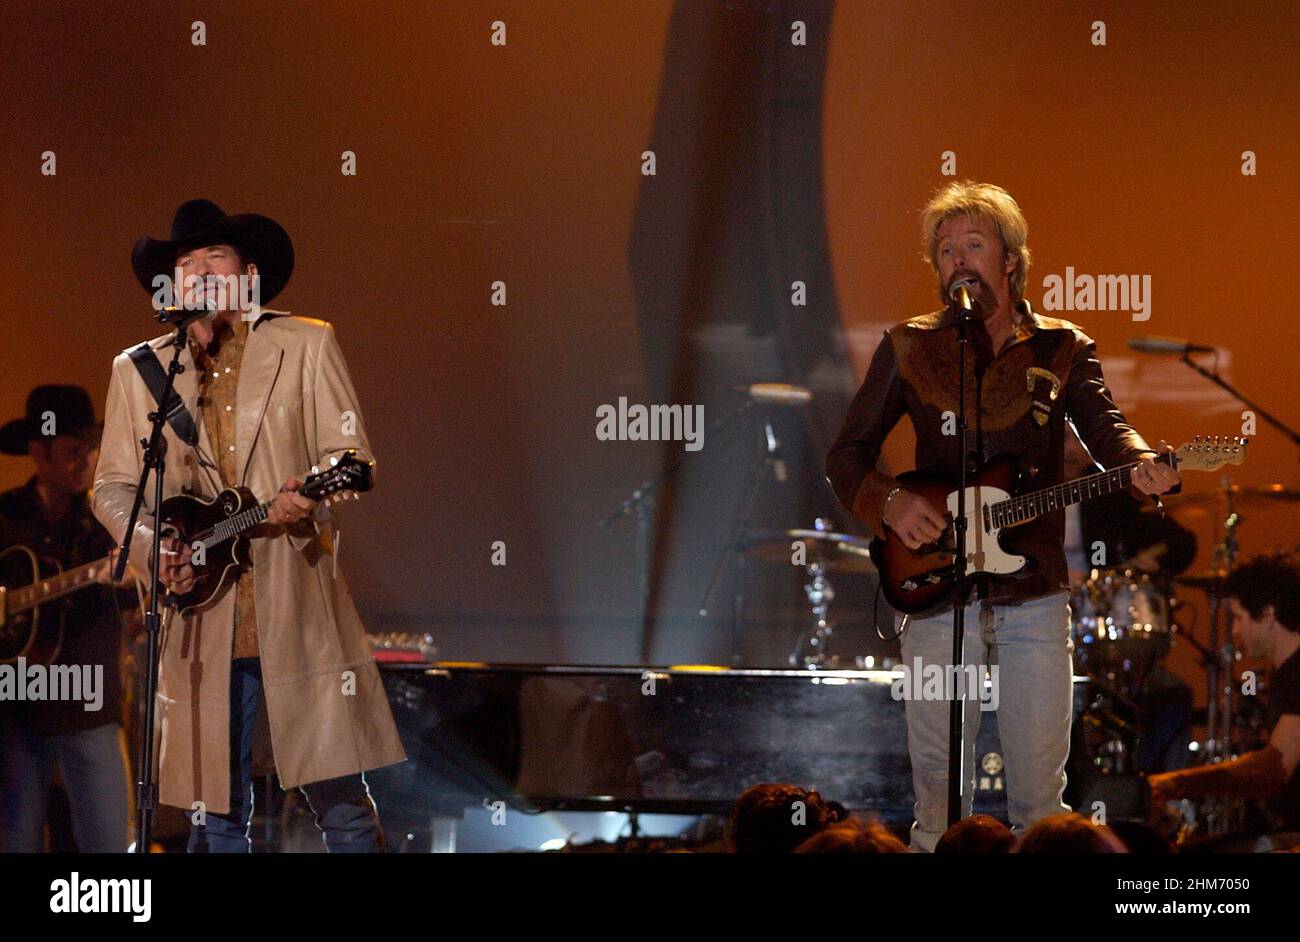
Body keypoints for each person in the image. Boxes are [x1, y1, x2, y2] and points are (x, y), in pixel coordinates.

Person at [826, 180, 1180, 851]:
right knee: (937, 793)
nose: (957, 260)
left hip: (1034, 589)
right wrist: (892, 502)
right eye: (945, 249)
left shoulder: (1061, 345)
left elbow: (1108, 429)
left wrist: (1141, 464)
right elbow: (847, 455)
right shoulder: (909, 345)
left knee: (1041, 800)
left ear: (1010, 260)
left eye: (973, 246)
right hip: (934, 593)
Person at [92, 199, 406, 852]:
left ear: (249, 272)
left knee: (339, 800)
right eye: (185, 261)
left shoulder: (306, 342)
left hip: (292, 599)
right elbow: (114, 488)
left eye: (214, 254)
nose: (198, 268)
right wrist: (156, 548)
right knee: (215, 812)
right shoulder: (141, 370)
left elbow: (352, 458)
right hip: (197, 609)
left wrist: (310, 496)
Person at [0, 385, 131, 852]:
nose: (88, 461)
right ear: (39, 451)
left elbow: (135, 608)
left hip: (89, 705)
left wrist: (134, 580)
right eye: (73, 450)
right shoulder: (5, 516)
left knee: (107, 843)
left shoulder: (110, 521)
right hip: (18, 707)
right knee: (14, 840)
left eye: (92, 449)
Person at [1147, 554, 1300, 834]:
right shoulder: (1285, 674)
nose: (1235, 630)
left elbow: (1274, 768)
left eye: (1240, 618)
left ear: (1268, 614)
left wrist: (1174, 783)